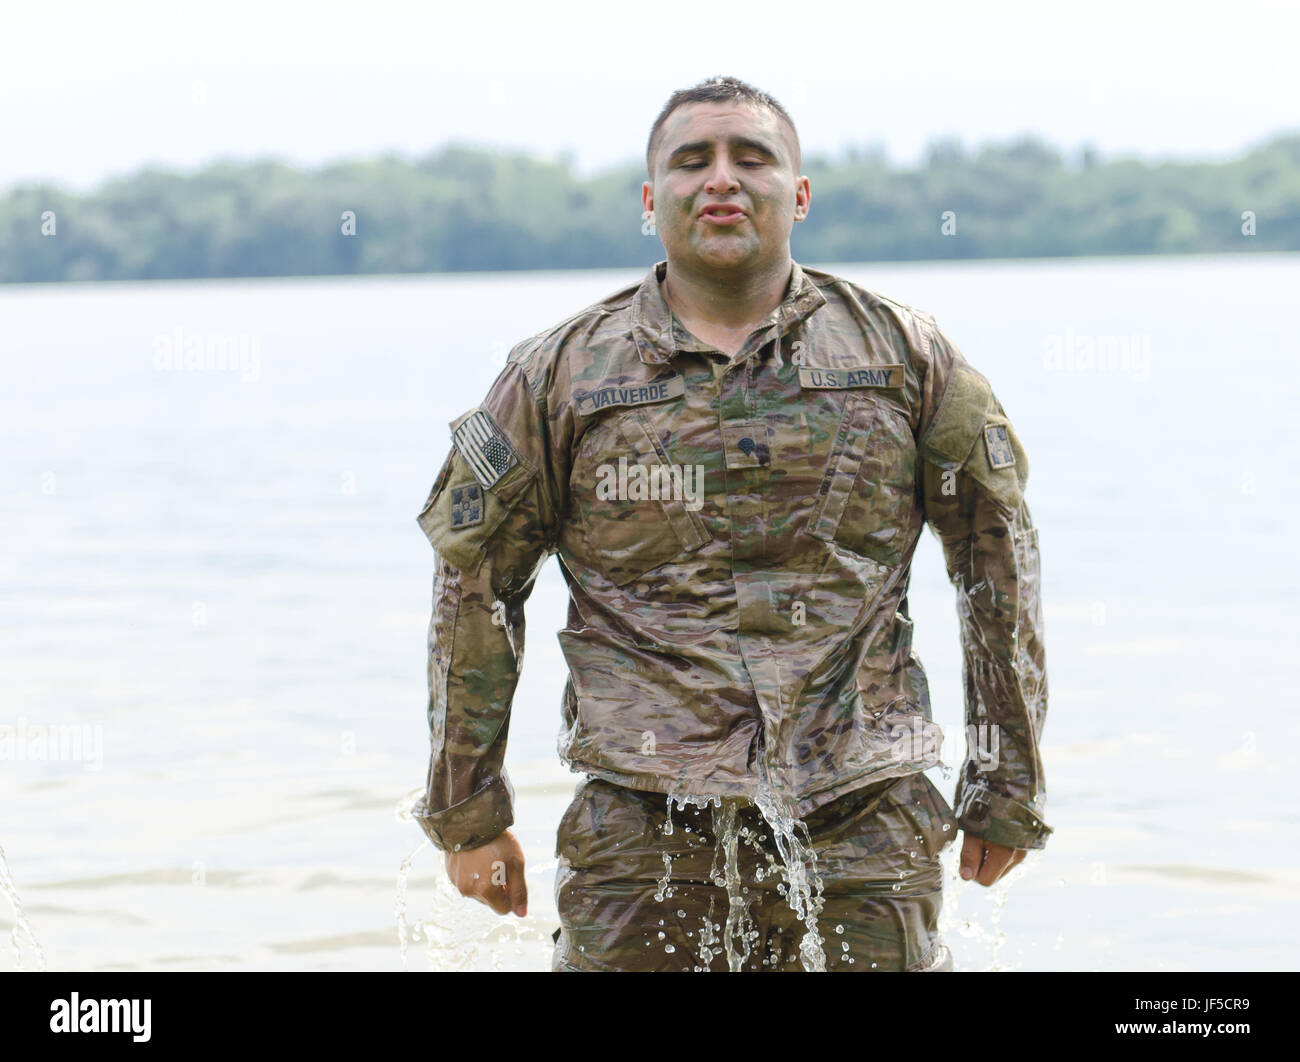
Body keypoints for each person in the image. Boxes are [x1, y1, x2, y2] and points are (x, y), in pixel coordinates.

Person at [412, 75, 1052, 972]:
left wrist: (1006, 782)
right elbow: (473, 586)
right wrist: (467, 810)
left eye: (751, 159)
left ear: (797, 194)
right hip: (642, 827)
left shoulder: (905, 356)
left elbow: (998, 563)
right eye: (690, 161)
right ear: (650, 200)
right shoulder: (557, 377)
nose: (721, 179)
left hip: (862, 816)